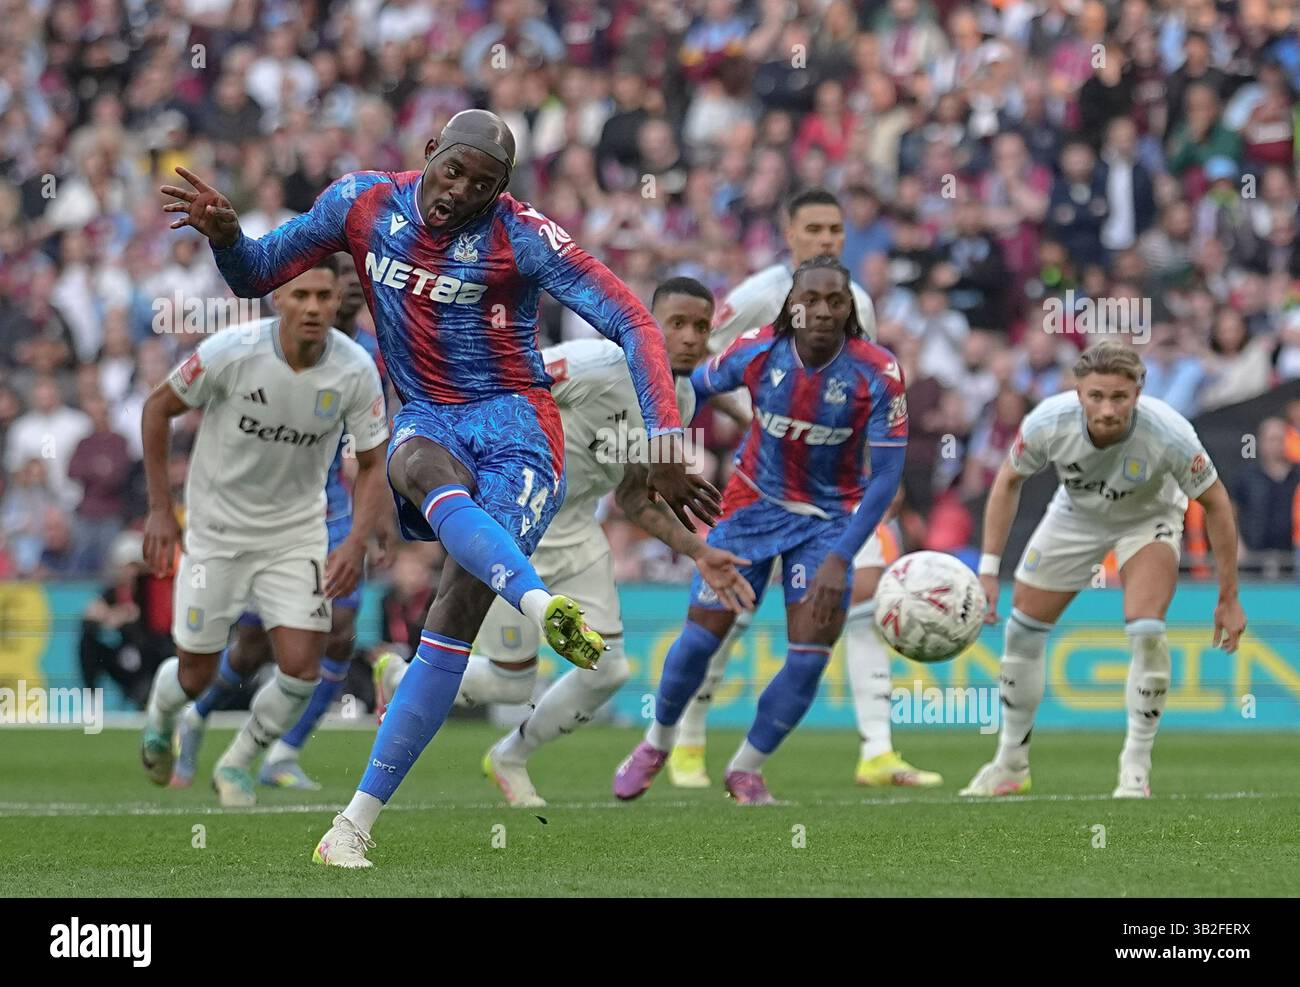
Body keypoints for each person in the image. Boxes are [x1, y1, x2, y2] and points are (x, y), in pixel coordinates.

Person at [160, 108, 718, 865]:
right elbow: (259, 272)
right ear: (429, 152)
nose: (459, 191)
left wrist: (664, 438)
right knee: (410, 464)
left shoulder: (522, 236)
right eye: (453, 170)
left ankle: (352, 822)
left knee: (450, 619)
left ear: (501, 192)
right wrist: (225, 234)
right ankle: (537, 600)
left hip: (521, 432)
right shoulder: (359, 202)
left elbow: (635, 323)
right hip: (430, 416)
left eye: (482, 184)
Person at [375, 277, 754, 807]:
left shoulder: (681, 400)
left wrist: (699, 550)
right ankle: (399, 676)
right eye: (677, 324)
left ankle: (510, 756)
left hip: (578, 530)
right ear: (646, 324)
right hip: (517, 524)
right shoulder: (588, 365)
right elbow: (501, 394)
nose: (690, 337)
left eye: (700, 327)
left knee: (610, 668)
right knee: (511, 683)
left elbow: (632, 496)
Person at [669, 188, 940, 790]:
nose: (826, 240)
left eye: (836, 230)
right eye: (813, 229)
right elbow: (699, 353)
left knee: (860, 607)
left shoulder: (855, 298)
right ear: (788, 234)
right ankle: (687, 742)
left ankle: (877, 750)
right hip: (762, 480)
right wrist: (758, 414)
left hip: (835, 494)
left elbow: (860, 383)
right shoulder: (760, 295)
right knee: (729, 617)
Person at [614, 255, 908, 804]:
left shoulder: (880, 373)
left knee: (809, 653)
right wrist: (665, 453)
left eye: (834, 302)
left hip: (827, 522)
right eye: (810, 300)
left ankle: (746, 768)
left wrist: (842, 557)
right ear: (791, 308)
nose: (821, 311)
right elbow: (693, 385)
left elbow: (887, 479)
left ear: (849, 311)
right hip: (751, 506)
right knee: (702, 636)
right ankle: (657, 742)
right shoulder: (754, 350)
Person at [138, 257, 390, 808]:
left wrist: (355, 541)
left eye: (324, 297)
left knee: (302, 666)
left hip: (296, 533)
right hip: (216, 530)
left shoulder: (355, 369)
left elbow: (373, 463)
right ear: (278, 299)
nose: (315, 307)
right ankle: (161, 719)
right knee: (195, 674)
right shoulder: (233, 352)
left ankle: (239, 761)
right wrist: (160, 510)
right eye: (302, 296)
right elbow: (157, 408)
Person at [963, 342, 1246, 799]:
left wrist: (1228, 598)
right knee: (1021, 633)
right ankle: (1010, 763)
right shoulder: (1047, 422)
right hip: (1074, 516)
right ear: (1078, 393)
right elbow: (1007, 482)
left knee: (1146, 627)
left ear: (1138, 392)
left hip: (1148, 517)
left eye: (1119, 397)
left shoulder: (1170, 434)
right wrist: (989, 569)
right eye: (1096, 396)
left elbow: (1216, 502)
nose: (1108, 409)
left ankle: (1135, 767)